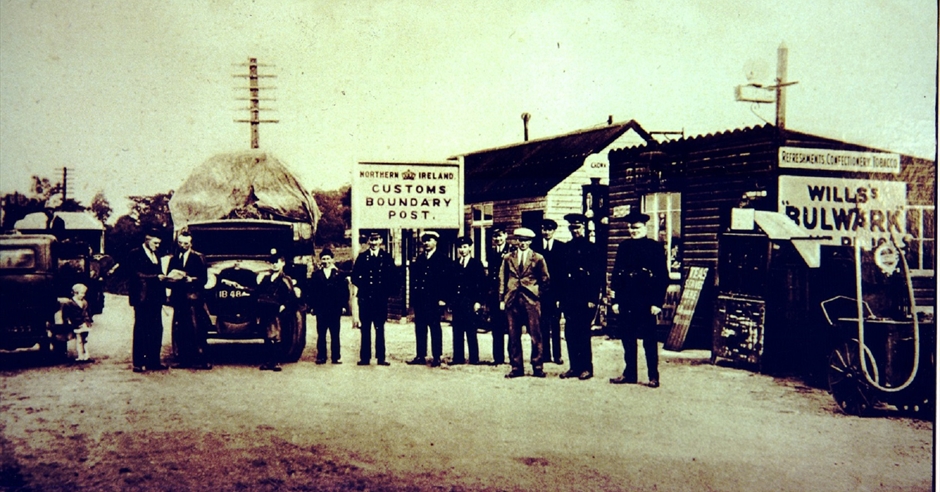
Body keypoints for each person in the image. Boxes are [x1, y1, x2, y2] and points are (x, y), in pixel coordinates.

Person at [609, 211, 669, 388]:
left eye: (636, 227)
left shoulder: (655, 247)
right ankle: (630, 373)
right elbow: (616, 275)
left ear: (645, 227)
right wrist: (615, 300)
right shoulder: (624, 247)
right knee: (628, 338)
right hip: (627, 300)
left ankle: (653, 376)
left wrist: (658, 303)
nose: (632, 231)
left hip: (646, 301)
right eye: (630, 227)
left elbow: (662, 277)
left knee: (649, 340)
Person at [499, 227, 550, 378]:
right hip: (512, 299)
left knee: (535, 334)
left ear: (531, 242)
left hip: (531, 301)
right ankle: (516, 367)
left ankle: (537, 366)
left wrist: (537, 294)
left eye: (526, 240)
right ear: (516, 241)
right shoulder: (508, 258)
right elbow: (502, 279)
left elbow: (545, 280)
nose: (523, 243)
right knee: (513, 335)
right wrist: (502, 298)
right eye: (520, 240)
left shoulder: (538, 258)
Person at [559, 214, 604, 380]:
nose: (575, 230)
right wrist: (561, 298)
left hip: (586, 298)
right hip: (569, 297)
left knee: (583, 332)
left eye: (577, 227)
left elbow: (597, 276)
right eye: (572, 227)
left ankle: (586, 368)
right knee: (570, 333)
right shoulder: (566, 248)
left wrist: (593, 299)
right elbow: (562, 275)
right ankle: (574, 367)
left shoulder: (592, 249)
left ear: (584, 228)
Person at [166, 230, 211, 370]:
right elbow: (169, 278)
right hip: (179, 299)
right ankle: (184, 360)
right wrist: (172, 279)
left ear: (191, 244)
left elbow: (204, 279)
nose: (182, 246)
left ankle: (204, 360)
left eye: (185, 243)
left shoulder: (199, 257)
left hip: (194, 299)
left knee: (197, 329)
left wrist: (191, 279)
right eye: (180, 243)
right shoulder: (174, 259)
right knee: (181, 330)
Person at [125, 228, 168, 373]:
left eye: (159, 243)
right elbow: (135, 274)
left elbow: (158, 273)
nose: (158, 246)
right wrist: (156, 277)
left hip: (156, 299)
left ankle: (153, 360)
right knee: (141, 329)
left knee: (156, 329)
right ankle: (138, 362)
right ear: (147, 240)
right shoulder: (135, 253)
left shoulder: (156, 254)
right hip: (142, 298)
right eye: (156, 243)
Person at [351, 232, 396, 366]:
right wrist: (364, 286)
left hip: (380, 300)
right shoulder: (362, 257)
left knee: (379, 328)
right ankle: (365, 358)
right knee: (365, 328)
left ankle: (381, 358)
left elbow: (393, 277)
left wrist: (386, 292)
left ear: (381, 240)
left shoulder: (386, 257)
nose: (374, 242)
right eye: (372, 239)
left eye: (376, 239)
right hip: (365, 299)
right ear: (368, 241)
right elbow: (354, 277)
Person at [408, 230, 451, 367]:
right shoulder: (420, 259)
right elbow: (414, 281)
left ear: (436, 242)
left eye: (429, 240)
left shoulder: (443, 259)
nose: (426, 243)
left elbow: (446, 281)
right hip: (421, 300)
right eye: (425, 240)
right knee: (420, 327)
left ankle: (437, 356)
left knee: (435, 327)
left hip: (434, 300)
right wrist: (413, 300)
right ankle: (420, 355)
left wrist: (444, 298)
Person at [531, 218, 567, 365]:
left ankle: (557, 355)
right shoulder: (535, 247)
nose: (546, 232)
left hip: (555, 293)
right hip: (540, 292)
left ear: (554, 231)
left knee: (555, 324)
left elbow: (562, 273)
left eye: (549, 229)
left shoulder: (561, 247)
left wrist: (560, 295)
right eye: (544, 229)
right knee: (542, 324)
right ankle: (545, 354)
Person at [255, 249, 297, 372]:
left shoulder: (285, 279)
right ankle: (268, 361)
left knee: (277, 337)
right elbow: (258, 292)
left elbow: (291, 297)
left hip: (278, 312)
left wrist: (284, 306)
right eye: (272, 262)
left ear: (282, 263)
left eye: (276, 262)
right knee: (266, 336)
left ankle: (276, 362)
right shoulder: (266, 278)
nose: (274, 264)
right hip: (266, 311)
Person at [310, 248, 349, 364]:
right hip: (321, 309)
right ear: (320, 260)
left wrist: (343, 306)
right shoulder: (316, 275)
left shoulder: (339, 274)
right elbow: (312, 292)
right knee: (321, 334)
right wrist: (312, 306)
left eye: (328, 258)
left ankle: (336, 357)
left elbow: (344, 292)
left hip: (335, 309)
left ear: (332, 259)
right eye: (323, 259)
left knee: (335, 333)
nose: (326, 261)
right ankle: (321, 356)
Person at [451, 236, 486, 365]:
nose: (462, 250)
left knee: (471, 330)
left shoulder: (476, 264)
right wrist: (451, 301)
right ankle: (458, 357)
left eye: (465, 247)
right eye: (460, 247)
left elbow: (481, 284)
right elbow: (451, 284)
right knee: (457, 330)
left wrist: (478, 301)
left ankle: (474, 358)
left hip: (470, 302)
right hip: (457, 302)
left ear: (470, 248)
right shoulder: (455, 264)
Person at [485, 225, 512, 364]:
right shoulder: (491, 252)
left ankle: (513, 357)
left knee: (511, 327)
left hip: (509, 294)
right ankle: (498, 358)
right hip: (495, 295)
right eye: (495, 236)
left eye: (500, 235)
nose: (498, 239)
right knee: (496, 326)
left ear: (506, 236)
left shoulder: (512, 251)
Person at [59, 283, 93, 363]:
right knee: (79, 340)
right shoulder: (69, 303)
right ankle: (80, 355)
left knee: (85, 339)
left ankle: (86, 355)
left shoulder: (85, 302)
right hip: (76, 323)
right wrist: (68, 321)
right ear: (75, 293)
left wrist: (89, 320)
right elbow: (65, 314)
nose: (83, 295)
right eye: (81, 293)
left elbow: (88, 312)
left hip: (85, 323)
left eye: (84, 293)